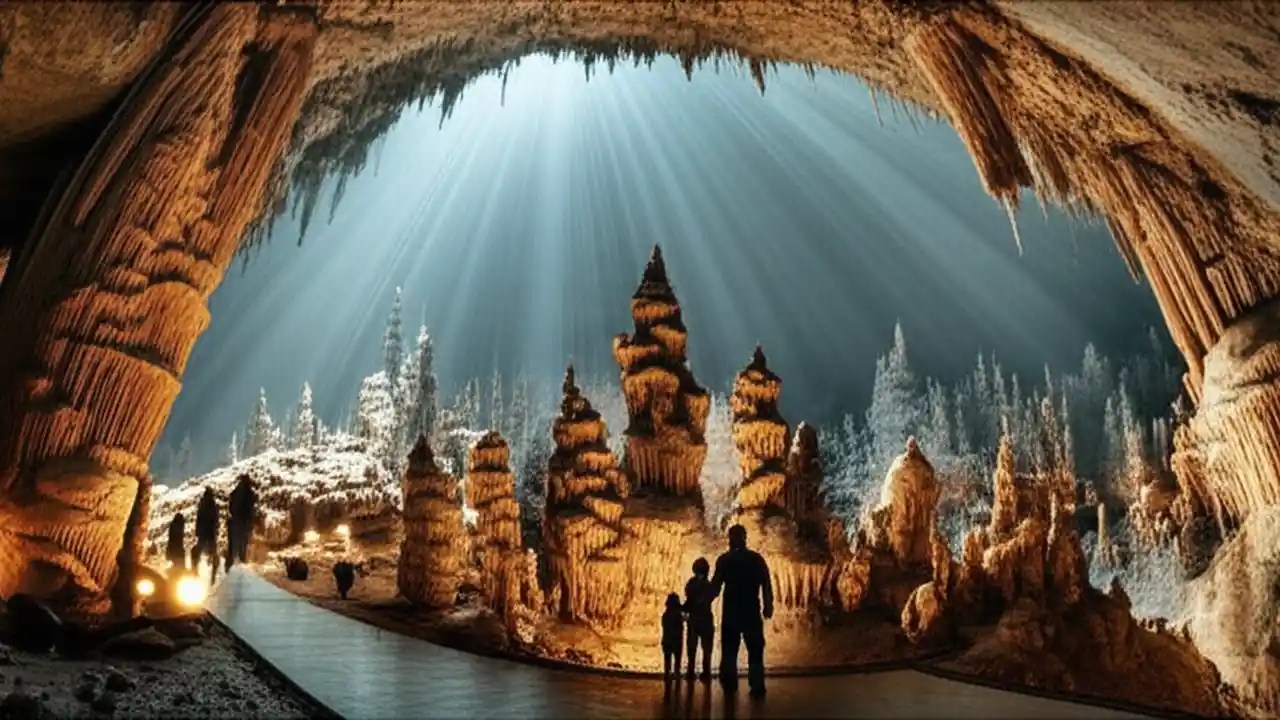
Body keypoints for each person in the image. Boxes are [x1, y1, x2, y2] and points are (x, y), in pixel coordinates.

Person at [710, 524, 773, 697]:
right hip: (750, 610)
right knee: (755, 650)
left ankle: (730, 683)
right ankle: (757, 684)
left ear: (730, 539)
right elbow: (766, 583)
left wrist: (702, 599)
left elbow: (715, 587)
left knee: (731, 650)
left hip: (732, 612)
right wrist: (768, 604)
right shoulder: (755, 559)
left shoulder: (725, 560)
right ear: (745, 538)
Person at [683, 557, 715, 682]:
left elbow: (689, 600)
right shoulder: (708, 585)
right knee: (706, 648)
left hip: (695, 619)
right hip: (705, 619)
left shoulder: (691, 584)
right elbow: (710, 597)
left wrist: (685, 609)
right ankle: (706, 673)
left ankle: (691, 673)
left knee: (692, 647)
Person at [226, 474, 257, 571]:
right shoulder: (250, 493)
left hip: (236, 522)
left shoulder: (235, 492)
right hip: (245, 523)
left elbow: (231, 507)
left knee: (234, 546)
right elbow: (252, 509)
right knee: (243, 545)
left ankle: (230, 568)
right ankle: (241, 566)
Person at [191, 487, 220, 581]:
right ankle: (213, 575)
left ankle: (195, 569)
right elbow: (216, 520)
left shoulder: (202, 504)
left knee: (198, 551)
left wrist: (197, 531)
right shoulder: (213, 505)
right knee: (214, 553)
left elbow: (198, 519)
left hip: (203, 532)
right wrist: (216, 531)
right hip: (210, 533)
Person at [661, 592, 684, 680]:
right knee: (677, 661)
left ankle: (667, 674)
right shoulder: (678, 616)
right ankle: (676, 675)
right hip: (677, 641)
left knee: (667, 659)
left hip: (667, 641)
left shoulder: (665, 615)